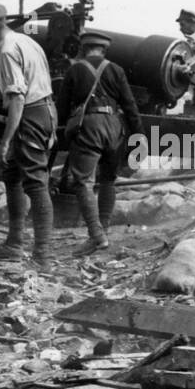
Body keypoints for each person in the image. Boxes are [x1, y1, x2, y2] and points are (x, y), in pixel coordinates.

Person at [0, 0, 57, 271]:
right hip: (44, 109)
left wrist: (5, 142)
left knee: (35, 182)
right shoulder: (25, 41)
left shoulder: (7, 51)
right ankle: (14, 243)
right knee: (12, 176)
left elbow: (18, 99)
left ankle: (43, 256)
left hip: (29, 114)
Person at [57, 30, 143, 255]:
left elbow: (62, 108)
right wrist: (139, 135)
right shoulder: (116, 70)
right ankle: (102, 232)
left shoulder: (75, 69)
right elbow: (131, 106)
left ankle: (96, 235)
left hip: (89, 127)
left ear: (84, 48)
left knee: (83, 182)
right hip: (115, 127)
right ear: (104, 49)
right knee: (108, 181)